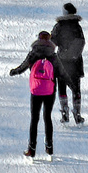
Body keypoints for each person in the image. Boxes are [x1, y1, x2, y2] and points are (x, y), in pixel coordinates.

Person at [10, 30, 59, 158]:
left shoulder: (33, 53)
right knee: (47, 117)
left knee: (34, 119)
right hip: (50, 90)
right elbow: (61, 73)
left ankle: (31, 149)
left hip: (36, 90)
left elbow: (23, 66)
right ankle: (49, 147)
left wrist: (14, 71)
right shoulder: (53, 55)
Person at [53, 3, 86, 124]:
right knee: (76, 88)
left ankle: (64, 113)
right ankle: (77, 113)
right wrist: (72, 54)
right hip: (75, 61)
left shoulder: (59, 26)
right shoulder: (77, 26)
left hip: (61, 61)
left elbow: (53, 41)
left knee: (62, 88)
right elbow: (81, 42)